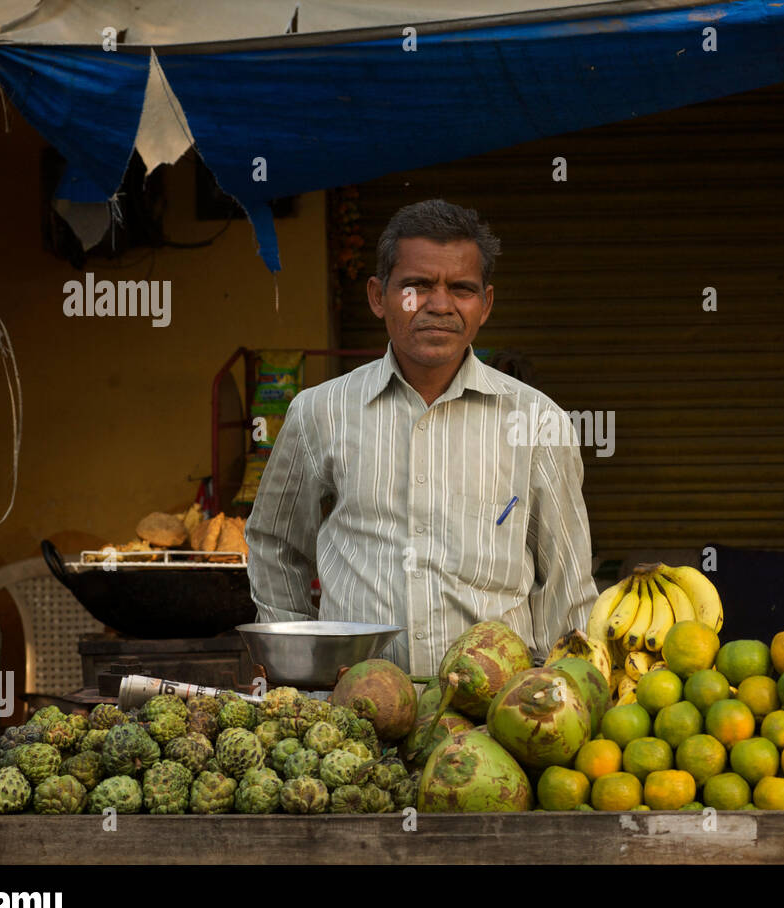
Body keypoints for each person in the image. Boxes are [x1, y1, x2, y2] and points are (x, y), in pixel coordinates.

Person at [246, 199, 599, 675]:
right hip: (356, 718)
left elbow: (565, 582)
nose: (439, 304)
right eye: (416, 286)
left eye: (462, 288)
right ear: (378, 296)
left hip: (494, 723)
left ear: (485, 304)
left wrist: (557, 694)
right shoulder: (319, 412)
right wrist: (304, 666)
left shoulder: (538, 422)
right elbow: (275, 544)